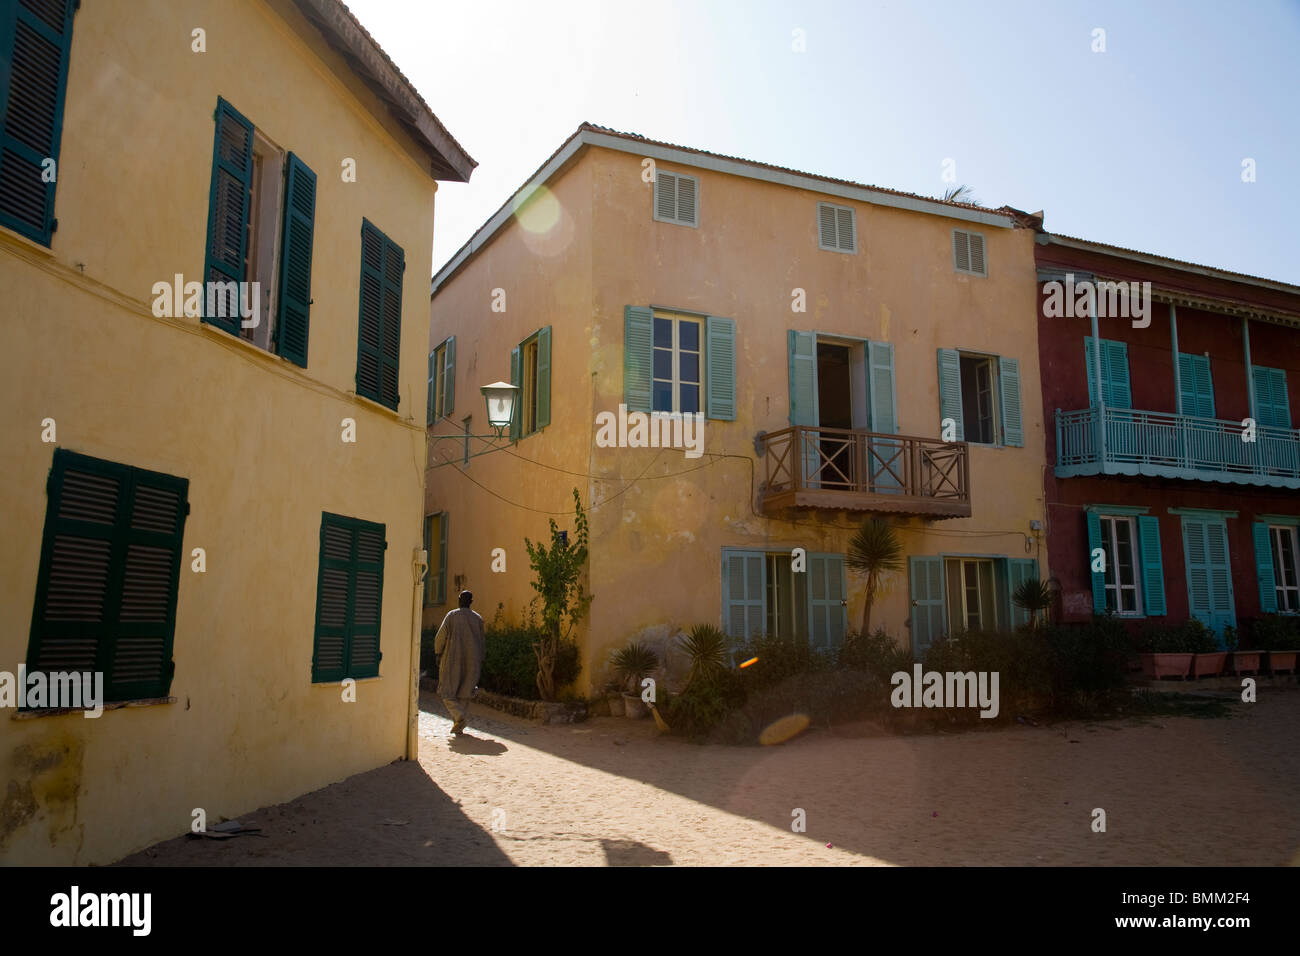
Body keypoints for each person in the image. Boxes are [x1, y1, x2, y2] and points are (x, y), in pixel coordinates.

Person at [434, 589, 485, 735]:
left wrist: (438, 653)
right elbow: (482, 642)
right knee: (464, 692)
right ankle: (459, 723)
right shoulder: (478, 619)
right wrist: (480, 659)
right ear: (471, 602)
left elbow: (440, 636)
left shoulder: (452, 615)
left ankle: (459, 717)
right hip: (472, 660)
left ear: (459, 600)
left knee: (446, 692)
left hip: (452, 658)